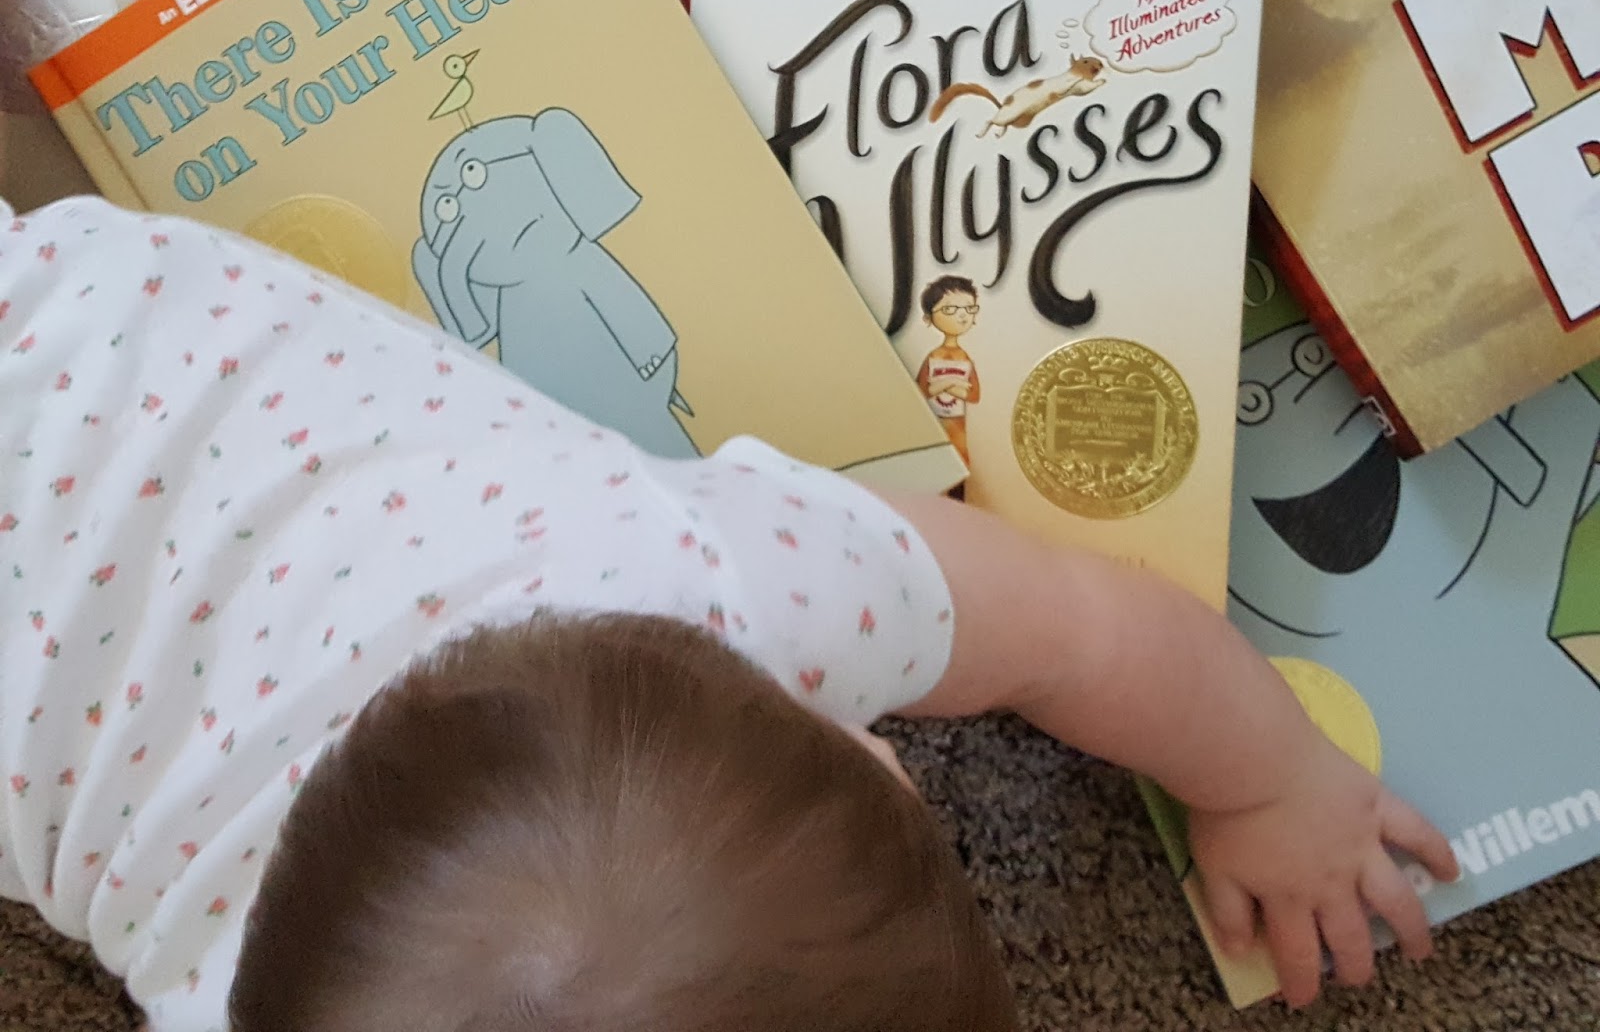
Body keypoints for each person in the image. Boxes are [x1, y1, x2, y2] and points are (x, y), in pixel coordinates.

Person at [0, 193, 1459, 1032]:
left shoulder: (735, 576)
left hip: (84, 318)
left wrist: (1271, 778)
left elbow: (1083, 625)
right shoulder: (727, 578)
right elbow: (1080, 628)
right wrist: (1267, 779)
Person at [914, 274, 982, 467]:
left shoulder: (964, 357)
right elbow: (920, 391)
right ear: (929, 317)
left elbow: (974, 394)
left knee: (960, 464)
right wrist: (951, 383)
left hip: (958, 428)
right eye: (950, 309)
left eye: (969, 308)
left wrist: (943, 386)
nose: (962, 315)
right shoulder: (933, 356)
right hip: (932, 428)